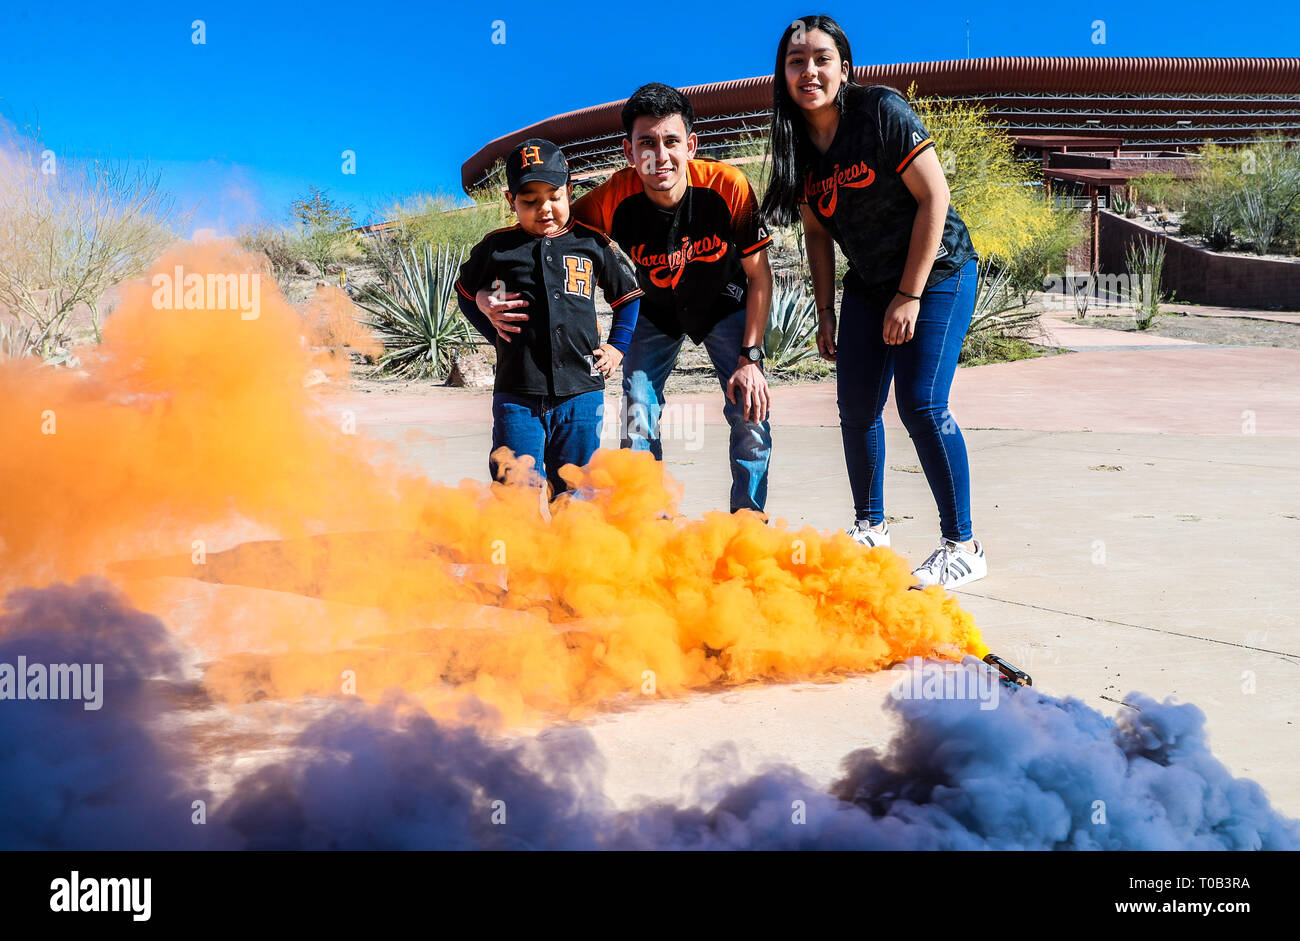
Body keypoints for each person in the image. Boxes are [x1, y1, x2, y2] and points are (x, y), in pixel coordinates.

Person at [760, 15, 986, 589]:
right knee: (856, 407)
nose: (808, 71)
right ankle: (871, 526)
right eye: (795, 61)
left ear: (843, 66)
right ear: (782, 73)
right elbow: (815, 233)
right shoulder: (795, 146)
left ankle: (963, 544)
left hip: (938, 272)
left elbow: (936, 196)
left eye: (820, 58)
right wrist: (827, 311)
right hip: (866, 284)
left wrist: (909, 294)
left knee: (920, 403)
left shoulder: (881, 111)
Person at [478, 83, 775, 514]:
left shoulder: (728, 186)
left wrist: (750, 358)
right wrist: (489, 291)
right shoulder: (608, 200)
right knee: (638, 407)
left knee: (750, 411)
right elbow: (543, 235)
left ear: (690, 145)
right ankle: (646, 525)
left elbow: (760, 275)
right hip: (655, 308)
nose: (660, 155)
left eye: (672, 141)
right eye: (646, 143)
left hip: (724, 304)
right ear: (628, 151)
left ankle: (749, 524)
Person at [454, 138, 643, 500]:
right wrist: (487, 315)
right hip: (517, 392)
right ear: (511, 201)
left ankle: (568, 555)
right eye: (530, 201)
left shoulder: (592, 243)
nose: (545, 208)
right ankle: (523, 554)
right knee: (515, 488)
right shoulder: (496, 247)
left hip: (582, 393)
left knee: (575, 491)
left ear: (570, 191)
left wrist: (618, 347)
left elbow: (629, 298)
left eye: (554, 196)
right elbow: (464, 293)